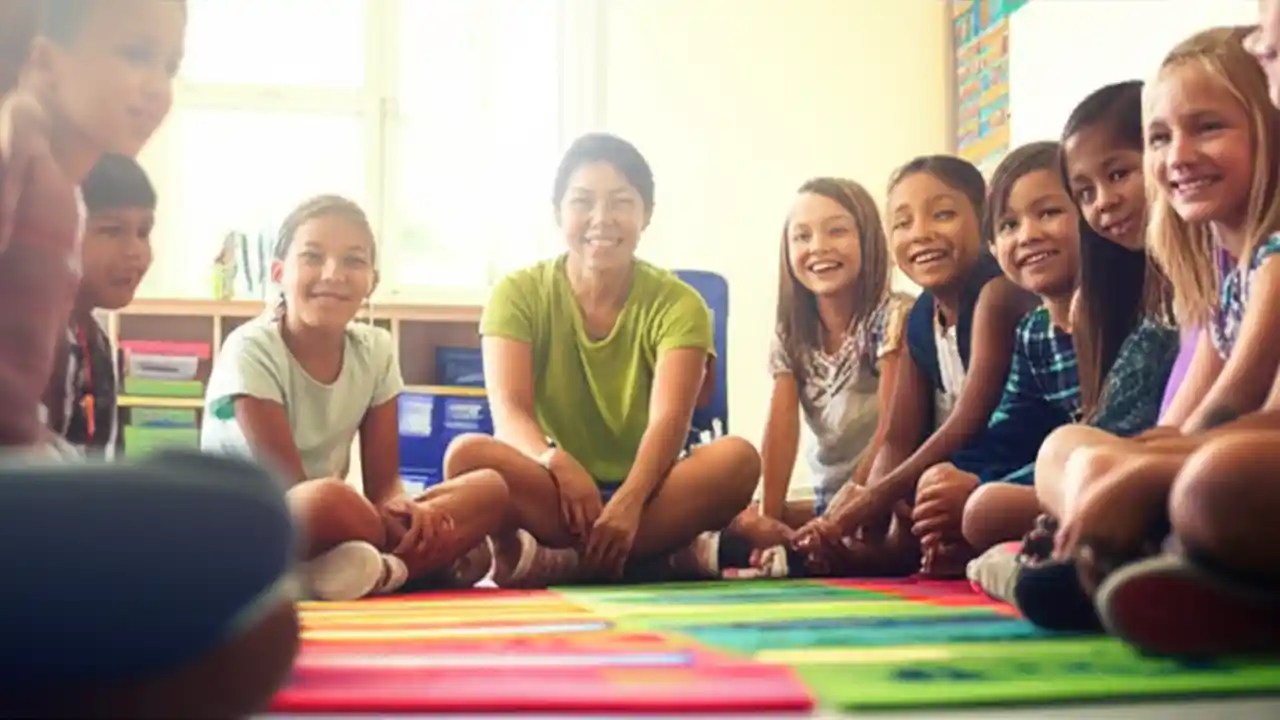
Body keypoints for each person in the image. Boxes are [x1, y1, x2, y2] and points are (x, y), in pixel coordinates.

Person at [1, 3, 300, 717]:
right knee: (254, 513)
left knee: (263, 629)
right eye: (133, 55)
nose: (156, 86)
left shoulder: (63, 200)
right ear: (45, 64)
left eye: (169, 65)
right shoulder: (15, 150)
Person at [443, 133, 761, 587]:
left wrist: (629, 503)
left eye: (621, 202)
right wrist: (555, 461)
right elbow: (509, 412)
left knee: (739, 460)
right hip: (555, 494)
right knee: (467, 455)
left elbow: (670, 420)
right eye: (582, 202)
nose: (601, 219)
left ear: (645, 214)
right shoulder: (516, 294)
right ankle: (656, 557)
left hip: (652, 493)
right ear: (558, 212)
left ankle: (572, 561)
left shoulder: (680, 304)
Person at [1082, 19, 1280, 656]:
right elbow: (1196, 412)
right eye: (1160, 138)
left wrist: (1148, 472)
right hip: (1234, 453)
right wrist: (1137, 461)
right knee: (1075, 453)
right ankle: (1174, 567)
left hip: (1243, 464)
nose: (1178, 155)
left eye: (1209, 127)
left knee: (1209, 487)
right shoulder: (1224, 274)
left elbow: (1249, 409)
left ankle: (1173, 563)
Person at [202, 194, 508, 600]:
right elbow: (288, 488)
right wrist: (420, 529)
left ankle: (373, 569)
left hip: (342, 524)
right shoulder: (250, 349)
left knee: (491, 489)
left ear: (372, 282)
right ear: (278, 272)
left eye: (353, 261)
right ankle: (416, 564)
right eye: (312, 257)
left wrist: (409, 511)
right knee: (330, 498)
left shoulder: (376, 350)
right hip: (257, 523)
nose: (333, 274)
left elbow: (385, 485)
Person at [789, 155, 1036, 578]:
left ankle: (930, 550)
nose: (920, 234)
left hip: (1015, 463)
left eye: (942, 214)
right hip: (965, 465)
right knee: (912, 487)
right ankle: (883, 550)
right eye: (902, 223)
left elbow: (967, 421)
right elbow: (897, 437)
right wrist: (863, 504)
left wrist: (874, 498)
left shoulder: (997, 293)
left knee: (934, 488)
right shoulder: (921, 317)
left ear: (984, 218)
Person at [753, 177, 913, 533]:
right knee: (741, 517)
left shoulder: (894, 316)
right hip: (827, 498)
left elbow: (892, 433)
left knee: (886, 528)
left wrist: (849, 507)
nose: (818, 247)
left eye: (836, 231)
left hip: (885, 492)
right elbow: (780, 432)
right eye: (802, 236)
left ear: (868, 239)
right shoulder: (791, 332)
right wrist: (768, 520)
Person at [43, 153, 155, 457]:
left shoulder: (95, 340)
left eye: (143, 232)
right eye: (111, 231)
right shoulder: (36, 338)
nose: (135, 252)